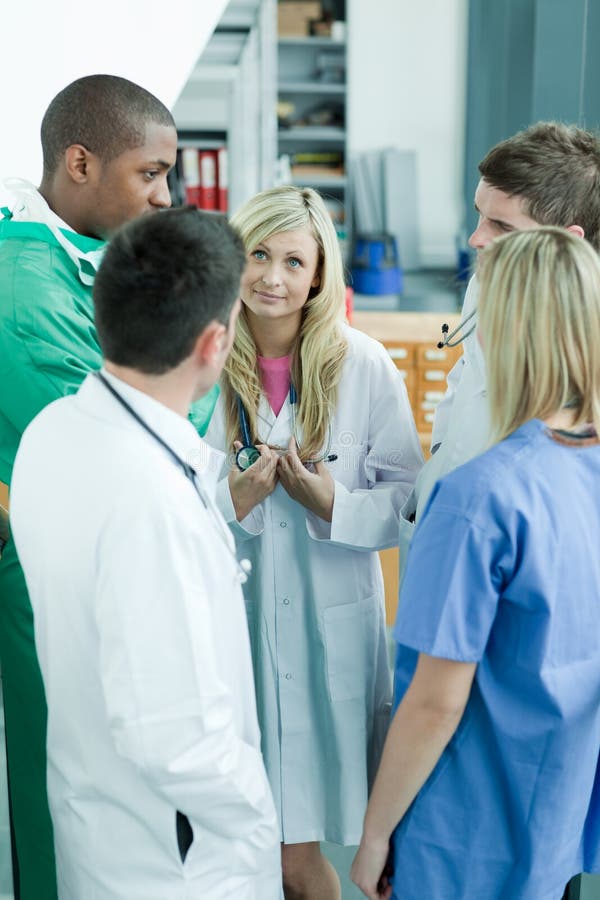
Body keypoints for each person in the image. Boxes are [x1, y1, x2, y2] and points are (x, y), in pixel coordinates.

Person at [9, 207, 282, 900]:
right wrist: (257, 820)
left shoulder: (52, 431)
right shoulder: (152, 500)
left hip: (96, 831)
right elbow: (174, 738)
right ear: (215, 343)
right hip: (178, 864)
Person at [0, 73, 220, 899]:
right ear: (80, 163)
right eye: (149, 174)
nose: (165, 196)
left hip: (100, 564)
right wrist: (197, 369)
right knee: (68, 808)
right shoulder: (24, 287)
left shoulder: (79, 258)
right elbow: (129, 436)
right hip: (59, 578)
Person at [351, 227, 600, 900]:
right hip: (554, 823)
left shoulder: (478, 498)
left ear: (499, 332)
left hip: (461, 834)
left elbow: (436, 702)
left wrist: (375, 835)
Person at [204, 184, 424, 900]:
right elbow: (168, 495)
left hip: (331, 629)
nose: (272, 277)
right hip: (234, 626)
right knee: (258, 850)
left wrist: (334, 505)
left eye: (293, 261)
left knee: (292, 856)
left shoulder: (364, 364)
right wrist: (232, 501)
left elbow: (407, 502)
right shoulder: (201, 359)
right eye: (258, 254)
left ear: (319, 274)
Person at [406, 121, 600, 524]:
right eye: (481, 215)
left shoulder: (586, 334)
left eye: (502, 226)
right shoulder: (485, 281)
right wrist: (441, 462)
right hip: (449, 505)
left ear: (566, 240)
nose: (476, 238)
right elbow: (464, 380)